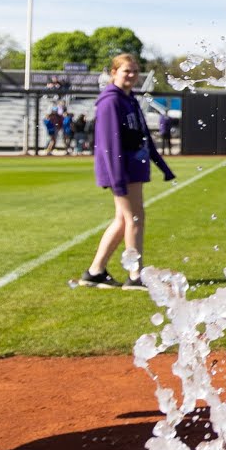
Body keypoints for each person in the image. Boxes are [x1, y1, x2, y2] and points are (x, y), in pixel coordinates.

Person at [76, 54, 175, 290]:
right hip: (121, 171)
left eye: (134, 71)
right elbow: (109, 144)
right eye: (125, 71)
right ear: (114, 73)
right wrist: (117, 180)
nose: (131, 75)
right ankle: (135, 275)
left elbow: (144, 137)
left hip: (133, 168)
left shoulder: (130, 100)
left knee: (124, 220)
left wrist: (163, 167)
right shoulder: (110, 102)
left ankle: (95, 272)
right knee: (135, 219)